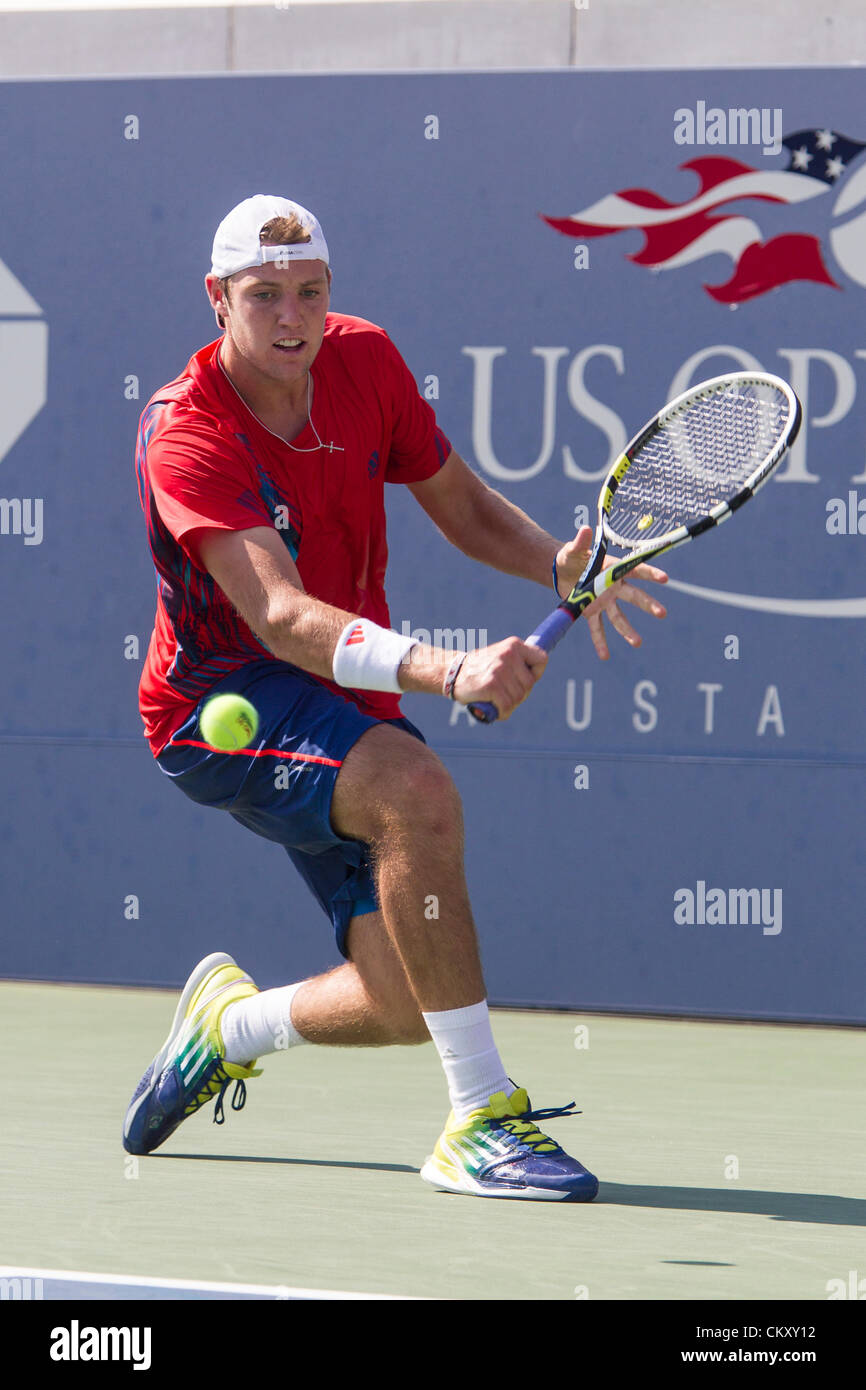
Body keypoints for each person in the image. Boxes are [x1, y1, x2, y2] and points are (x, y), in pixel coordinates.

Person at [123, 194, 667, 1200]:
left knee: (405, 995)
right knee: (416, 790)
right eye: (263, 296)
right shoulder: (186, 431)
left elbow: (457, 505)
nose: (292, 318)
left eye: (310, 292)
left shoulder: (363, 360)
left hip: (339, 689)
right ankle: (479, 1117)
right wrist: (447, 667)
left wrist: (556, 563)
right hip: (217, 706)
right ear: (217, 300)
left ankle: (225, 1027)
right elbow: (281, 616)